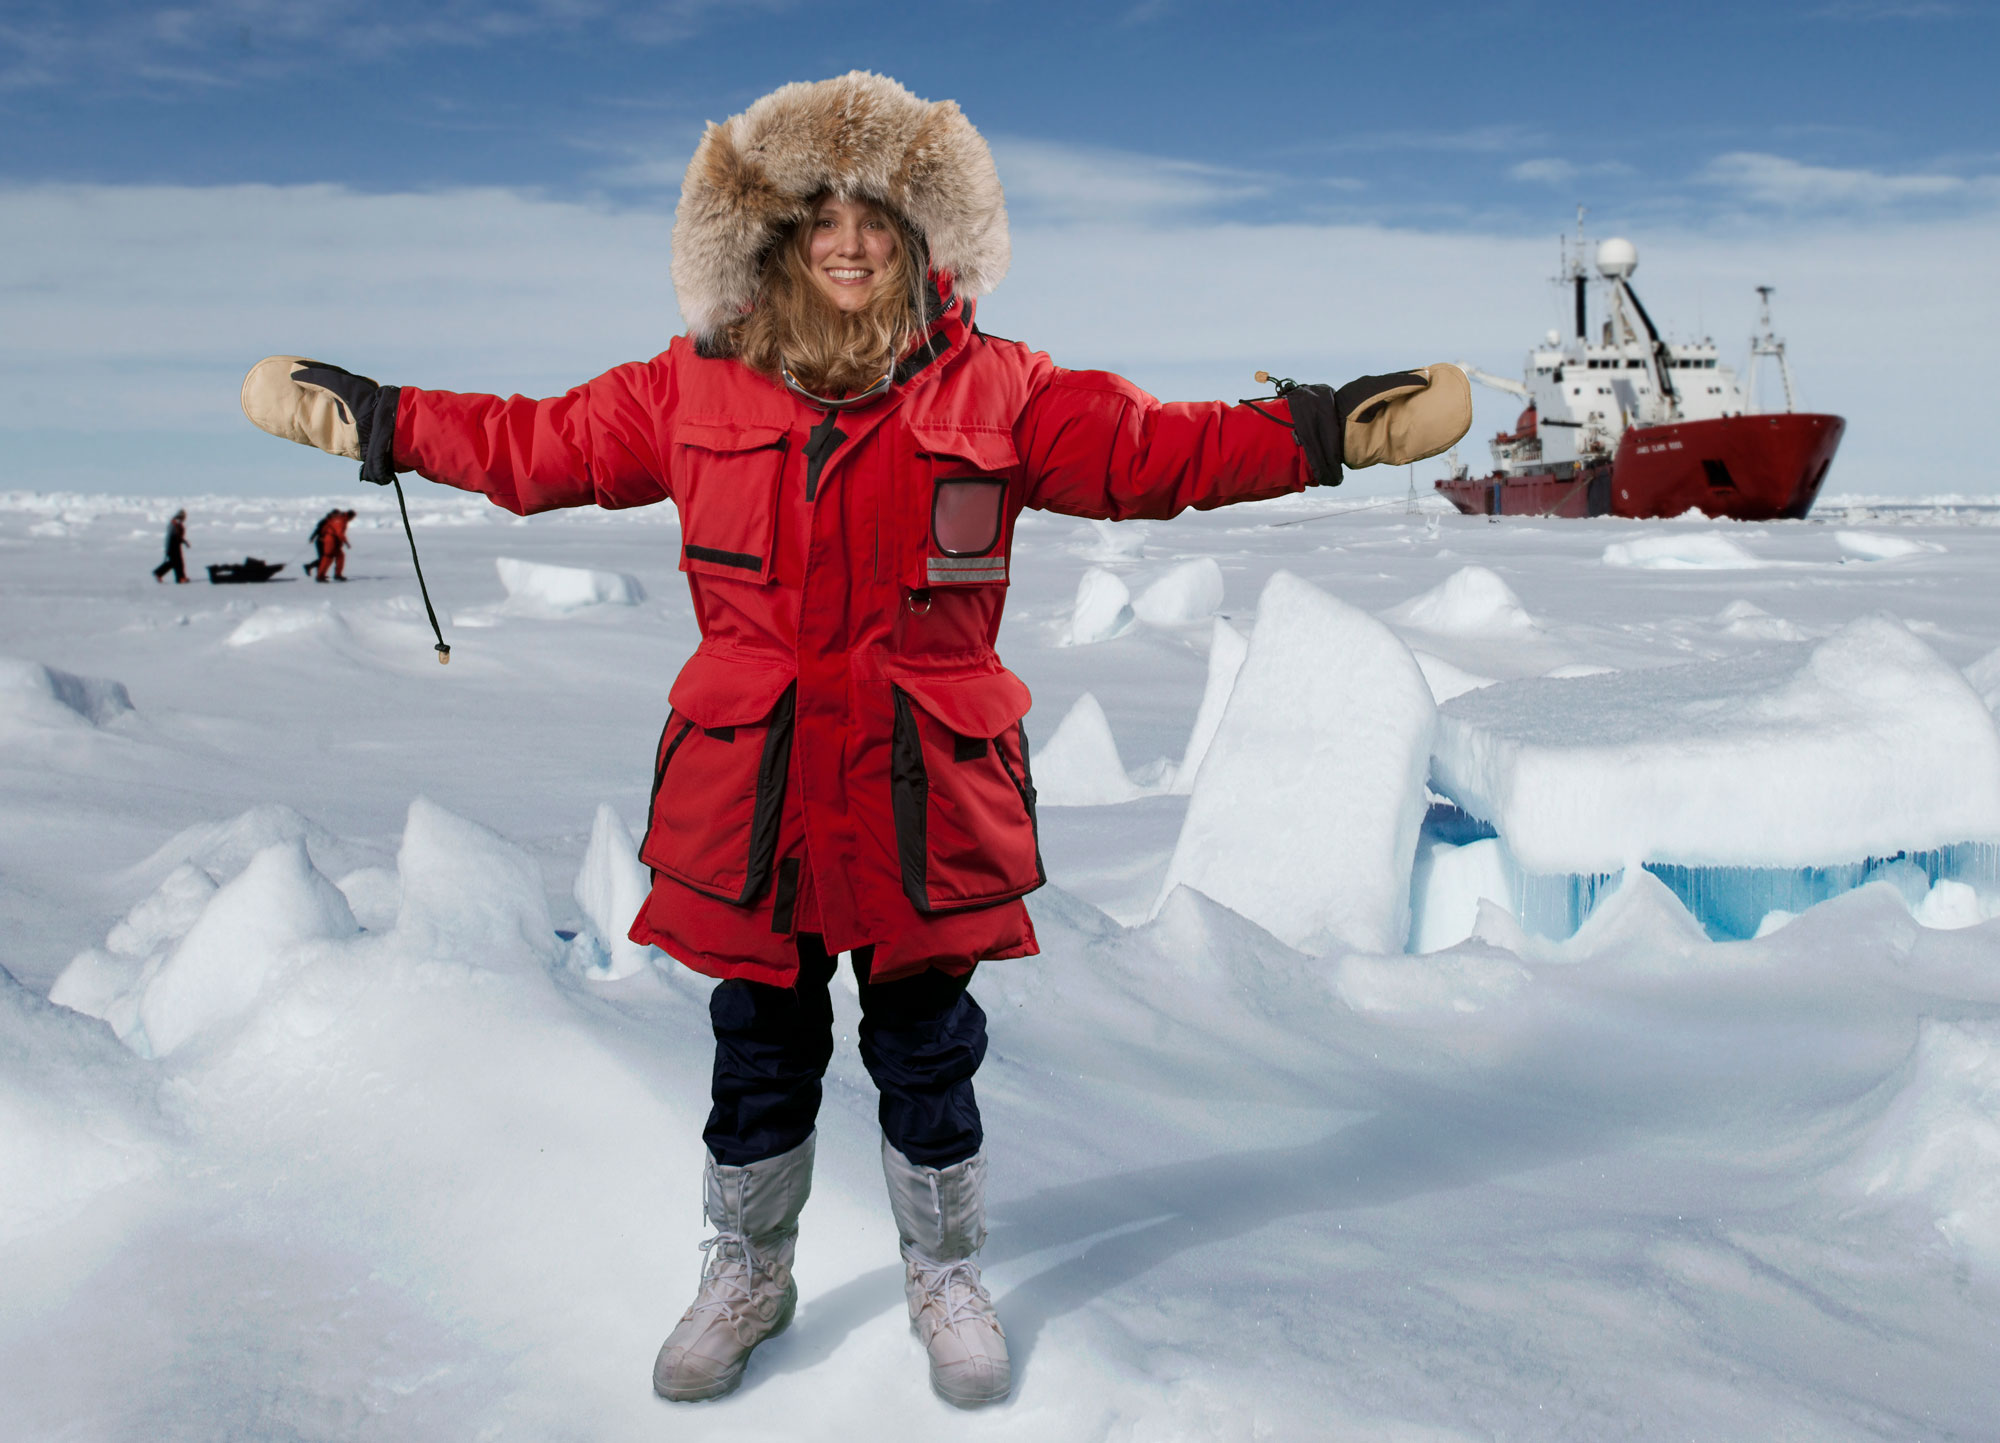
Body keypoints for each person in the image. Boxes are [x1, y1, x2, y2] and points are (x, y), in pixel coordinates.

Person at [239, 72, 1469, 1408]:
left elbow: (1149, 453)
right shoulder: (690, 385)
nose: (850, 240)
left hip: (917, 785)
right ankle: (747, 1271)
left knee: (927, 1048)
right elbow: (538, 446)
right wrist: (382, 416)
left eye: (878, 213)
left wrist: (1321, 427)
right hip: (753, 788)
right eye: (820, 214)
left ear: (923, 233)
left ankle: (945, 1275)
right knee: (757, 1044)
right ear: (769, 232)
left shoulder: (1000, 387)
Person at [310, 507, 355, 581]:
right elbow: (339, 533)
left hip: (333, 540)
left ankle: (337, 574)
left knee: (340, 556)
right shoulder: (341, 520)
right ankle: (320, 576)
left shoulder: (341, 518)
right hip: (330, 540)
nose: (352, 520)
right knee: (328, 557)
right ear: (351, 516)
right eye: (353, 518)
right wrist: (346, 542)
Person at [152, 509, 189, 583]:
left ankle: (159, 573)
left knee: (173, 562)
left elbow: (177, 536)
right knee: (178, 563)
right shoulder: (175, 522)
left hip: (174, 545)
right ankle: (180, 578)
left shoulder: (175, 522)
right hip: (173, 546)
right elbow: (173, 536)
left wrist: (184, 542)